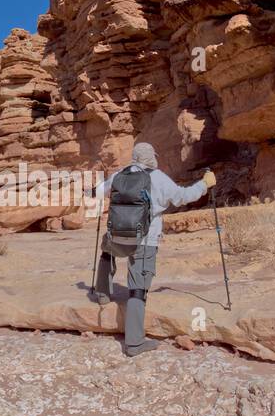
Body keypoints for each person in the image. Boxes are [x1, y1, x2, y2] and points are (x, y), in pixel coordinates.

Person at [91, 142, 216, 357]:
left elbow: (99, 192)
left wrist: (89, 189)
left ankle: (102, 293)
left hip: (117, 235)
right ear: (152, 157)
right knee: (138, 288)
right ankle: (134, 343)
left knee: (106, 250)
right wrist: (205, 184)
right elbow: (183, 197)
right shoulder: (158, 178)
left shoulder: (121, 174)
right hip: (145, 239)